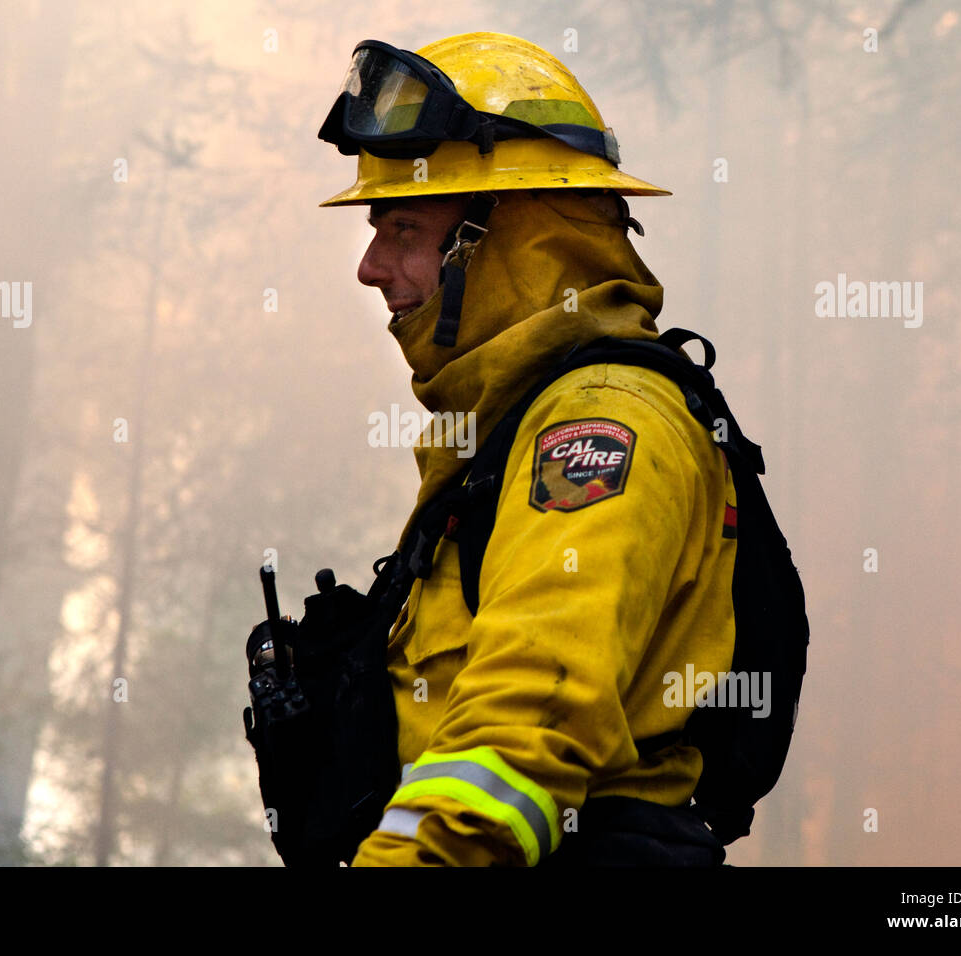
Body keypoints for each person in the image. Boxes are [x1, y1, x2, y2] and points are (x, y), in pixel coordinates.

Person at [316, 32, 737, 867]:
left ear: (514, 238)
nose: (370, 267)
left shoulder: (597, 429)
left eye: (403, 227)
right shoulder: (506, 431)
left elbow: (532, 719)